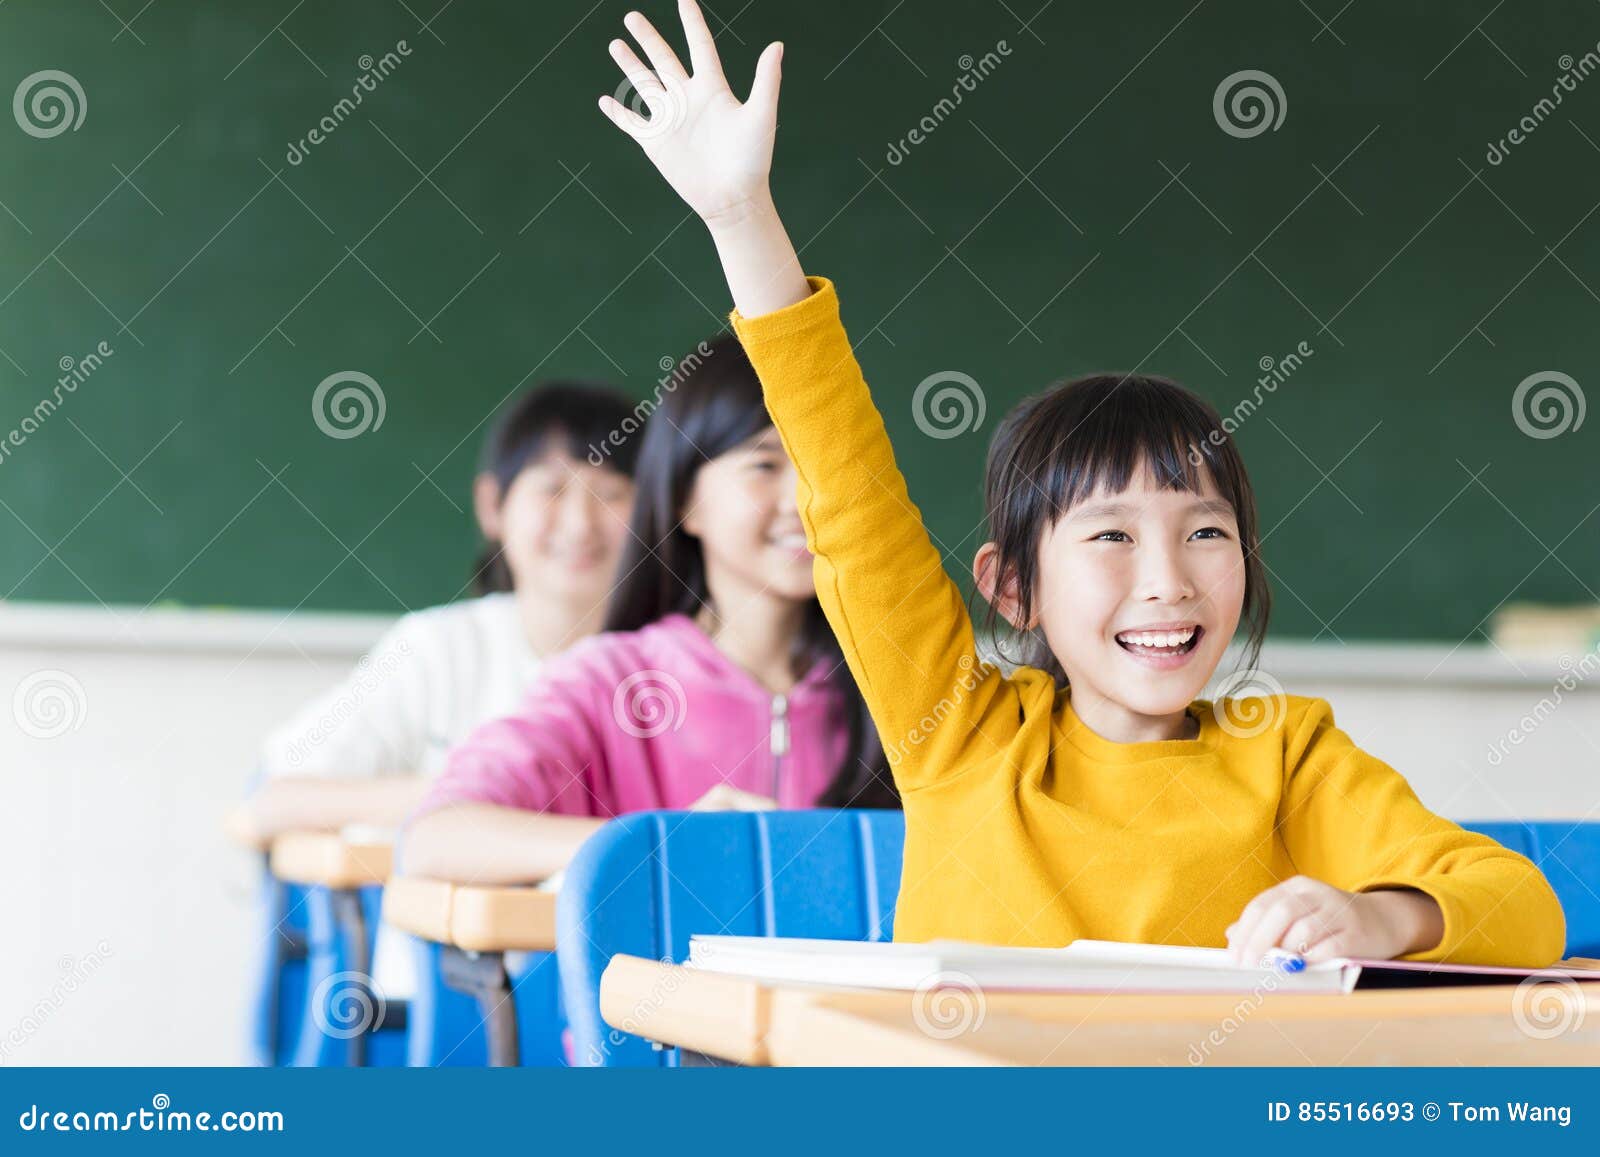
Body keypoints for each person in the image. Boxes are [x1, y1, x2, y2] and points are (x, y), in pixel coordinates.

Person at [586, 0, 1566, 967]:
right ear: (1011, 585)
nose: (1167, 579)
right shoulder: (957, 728)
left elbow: (1519, 905)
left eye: (1205, 532)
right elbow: (849, 487)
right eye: (1109, 535)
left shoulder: (1287, 752)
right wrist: (738, 214)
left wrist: (1381, 916)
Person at [401, 334, 899, 885]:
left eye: (824, 466)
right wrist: (663, 841)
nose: (807, 499)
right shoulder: (606, 680)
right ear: (685, 498)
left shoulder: (897, 688)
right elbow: (436, 837)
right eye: (765, 465)